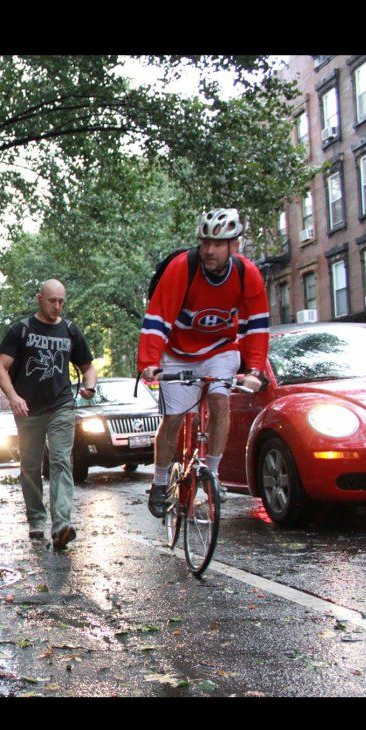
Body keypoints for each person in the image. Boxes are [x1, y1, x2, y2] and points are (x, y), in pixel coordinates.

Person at [139, 209, 268, 518]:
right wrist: (149, 363)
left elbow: (257, 326)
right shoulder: (182, 268)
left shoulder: (246, 274)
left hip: (220, 349)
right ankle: (159, 482)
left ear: (233, 246)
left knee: (220, 402)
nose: (210, 250)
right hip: (179, 350)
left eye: (219, 244)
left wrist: (254, 370)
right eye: (206, 242)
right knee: (173, 418)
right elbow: (157, 320)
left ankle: (211, 475)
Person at [0, 279, 97, 551]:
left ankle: (61, 525)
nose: (57, 306)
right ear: (40, 298)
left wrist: (90, 385)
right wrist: (13, 397)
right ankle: (36, 519)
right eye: (52, 300)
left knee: (61, 460)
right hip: (28, 409)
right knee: (30, 466)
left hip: (61, 405)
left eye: (62, 301)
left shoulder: (70, 331)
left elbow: (88, 368)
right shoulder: (22, 330)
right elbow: (0, 368)